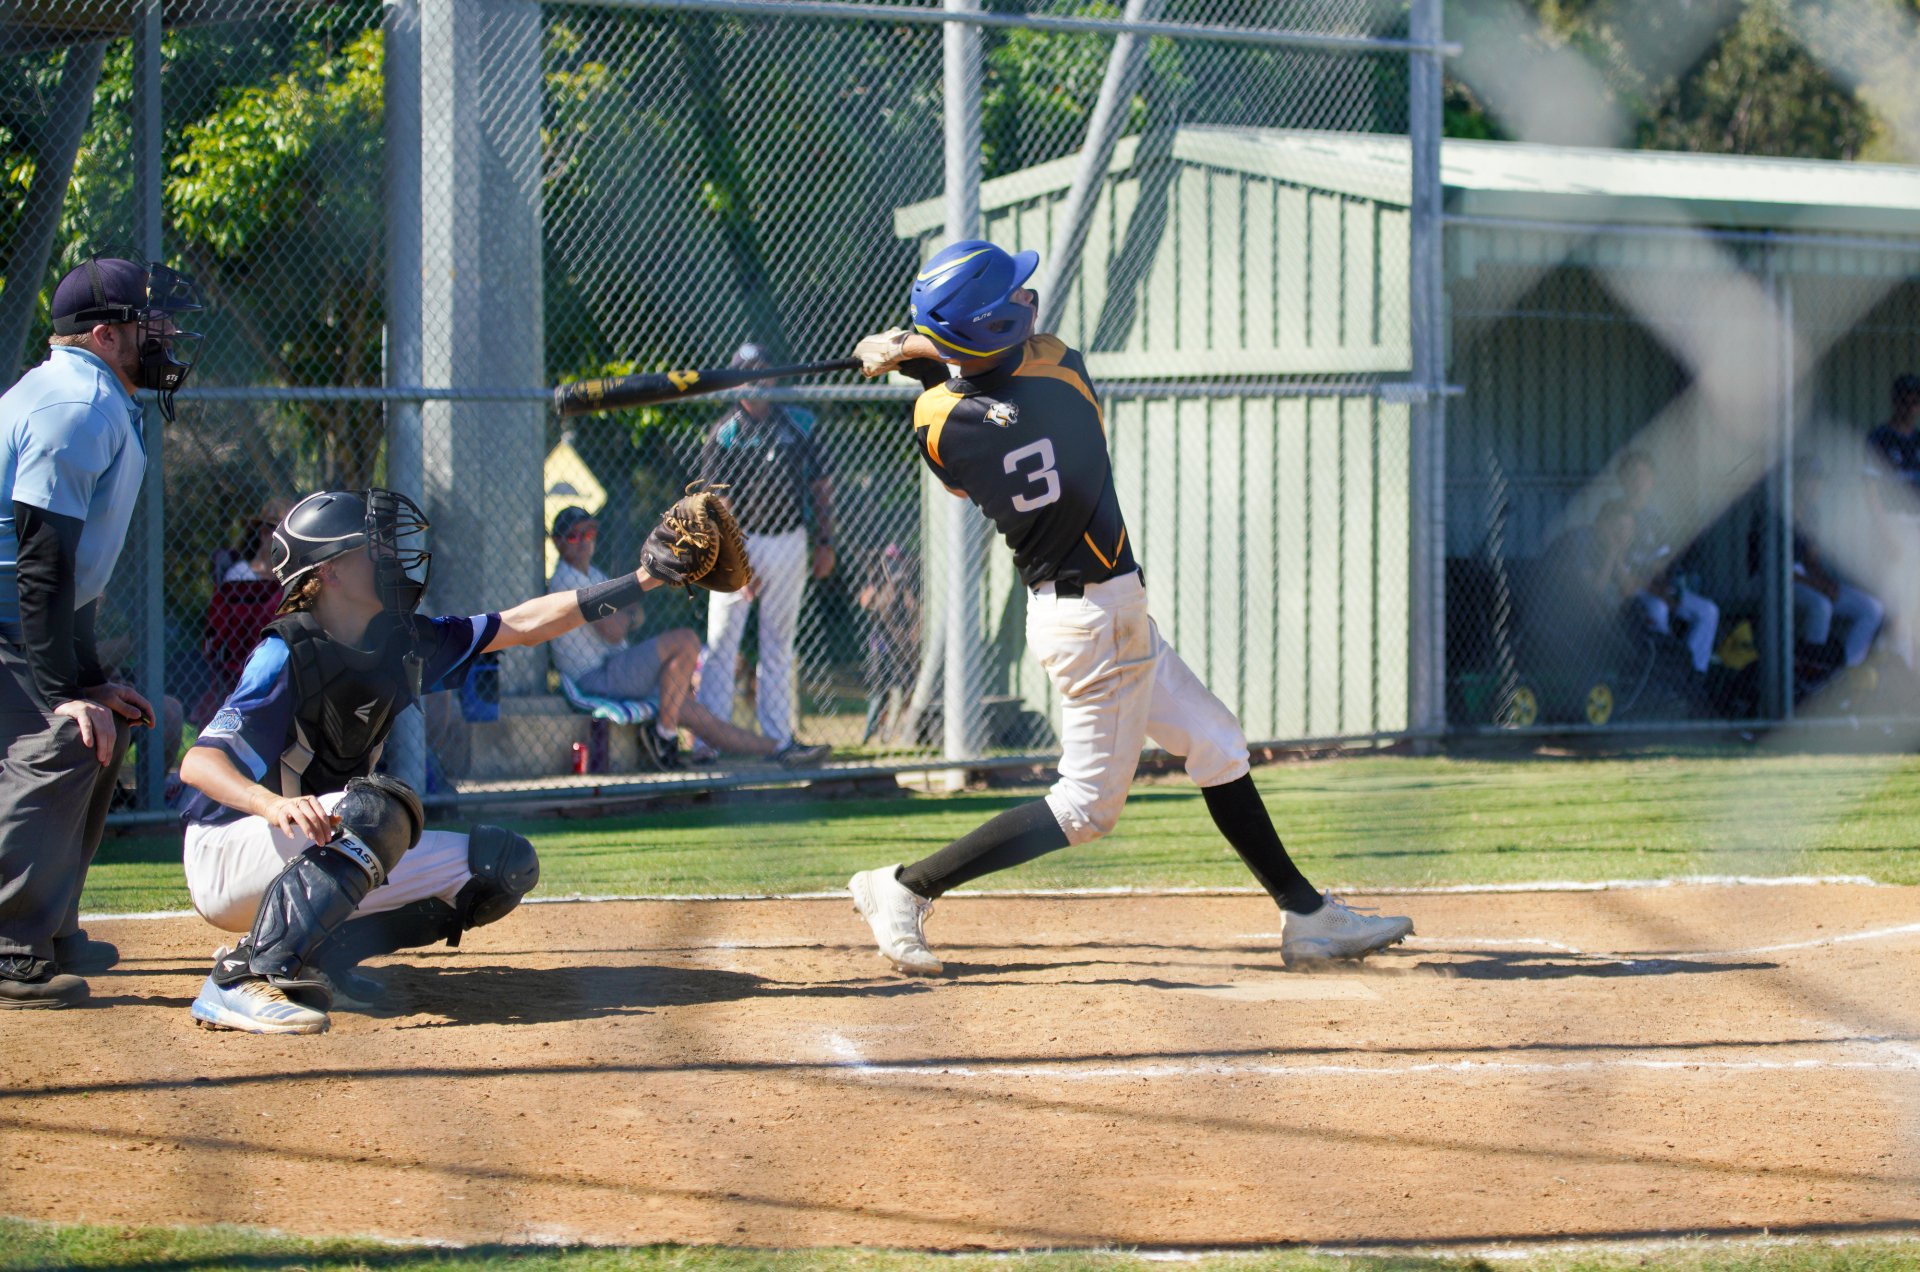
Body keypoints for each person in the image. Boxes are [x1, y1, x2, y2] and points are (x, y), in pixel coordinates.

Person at [840, 240, 1413, 976]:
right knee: (1084, 809)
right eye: (1012, 300)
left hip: (1085, 613)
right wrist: (916, 348)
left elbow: (963, 399)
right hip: (1099, 622)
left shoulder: (935, 426)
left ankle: (1306, 916)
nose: (1027, 301)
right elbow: (998, 372)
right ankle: (904, 888)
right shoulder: (1064, 373)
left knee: (1215, 741)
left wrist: (907, 354)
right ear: (983, 331)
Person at [178, 488, 672, 1034]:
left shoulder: (402, 640)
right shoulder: (286, 653)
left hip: (322, 841)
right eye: (374, 549)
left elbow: (524, 624)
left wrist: (643, 579)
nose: (391, 558)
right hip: (231, 851)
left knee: (500, 866)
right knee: (380, 813)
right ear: (332, 572)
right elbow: (199, 763)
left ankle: (317, 963)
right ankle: (242, 975)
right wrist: (271, 805)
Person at [0, 254, 202, 1008]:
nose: (169, 335)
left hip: (20, 620)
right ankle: (10, 944)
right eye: (152, 322)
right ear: (105, 333)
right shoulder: (72, 406)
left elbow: (67, 585)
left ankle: (48, 928)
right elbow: (42, 561)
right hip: (10, 617)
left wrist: (88, 682)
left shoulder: (89, 396)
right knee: (62, 742)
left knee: (100, 725)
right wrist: (64, 696)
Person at [544, 505, 827, 768]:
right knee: (686, 641)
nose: (584, 542)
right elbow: (615, 629)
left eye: (589, 533)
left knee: (702, 718)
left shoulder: (592, 573)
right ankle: (664, 738)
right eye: (573, 537)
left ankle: (780, 748)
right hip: (595, 676)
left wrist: (624, 615)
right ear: (557, 542)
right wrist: (626, 615)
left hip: (616, 667)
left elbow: (629, 617)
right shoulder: (566, 578)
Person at [695, 343, 835, 760]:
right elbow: (718, 506)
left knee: (778, 644)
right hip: (738, 541)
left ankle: (777, 741)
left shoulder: (798, 423)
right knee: (721, 642)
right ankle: (708, 740)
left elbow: (822, 489)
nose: (755, 380)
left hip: (789, 540)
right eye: (746, 372)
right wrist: (739, 562)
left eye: (761, 371)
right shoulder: (725, 432)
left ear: (773, 376)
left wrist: (825, 542)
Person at [1616, 451, 1719, 675]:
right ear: (1622, 479)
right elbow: (1622, 574)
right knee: (1658, 607)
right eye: (1632, 475)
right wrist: (1660, 592)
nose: (1638, 482)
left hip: (1656, 587)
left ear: (1652, 481)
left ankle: (1690, 674)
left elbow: (1662, 564)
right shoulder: (1615, 514)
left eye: (1644, 475)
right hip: (1631, 592)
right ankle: (1661, 675)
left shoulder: (1654, 518)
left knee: (1708, 611)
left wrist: (1666, 587)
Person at [1793, 460, 1884, 671]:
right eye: (1811, 481)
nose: (1817, 487)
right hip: (1777, 583)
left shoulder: (1811, 513)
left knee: (1872, 608)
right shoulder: (1779, 513)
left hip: (1807, 580)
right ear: (1797, 483)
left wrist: (1827, 583)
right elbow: (1777, 572)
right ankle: (1811, 669)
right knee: (1821, 605)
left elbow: (1811, 561)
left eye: (1819, 482)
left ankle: (1846, 672)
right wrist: (1819, 586)